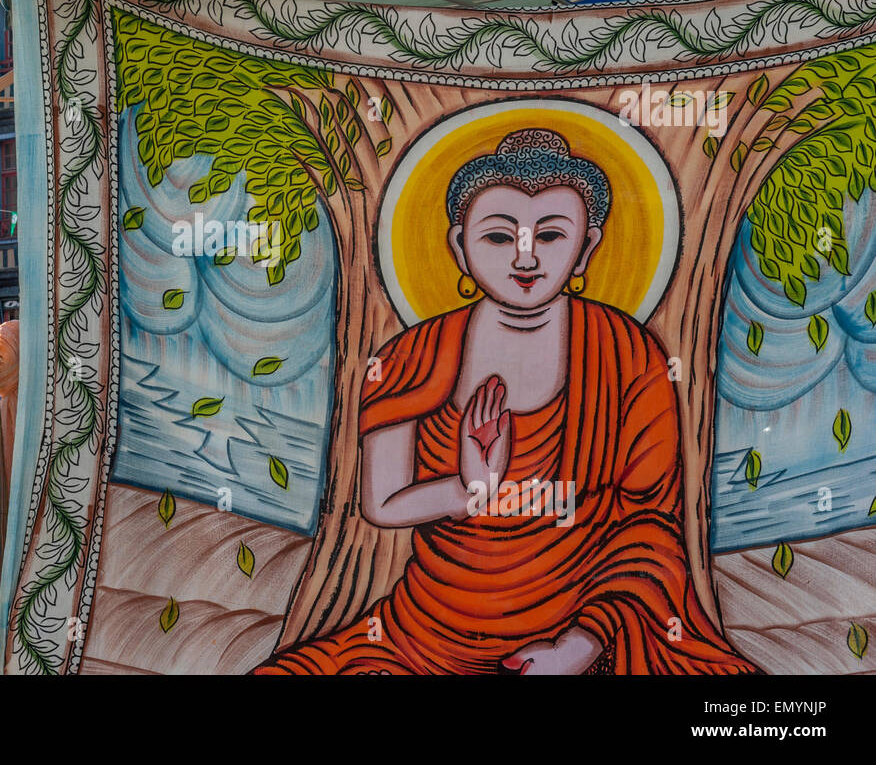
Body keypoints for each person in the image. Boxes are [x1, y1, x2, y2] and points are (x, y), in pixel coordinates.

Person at [254, 129, 758, 676]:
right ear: (459, 247)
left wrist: (578, 648)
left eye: (550, 237)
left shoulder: (627, 355)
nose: (525, 258)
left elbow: (648, 526)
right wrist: (468, 490)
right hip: (421, 632)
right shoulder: (410, 356)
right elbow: (382, 503)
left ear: (587, 247)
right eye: (498, 237)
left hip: (580, 629)